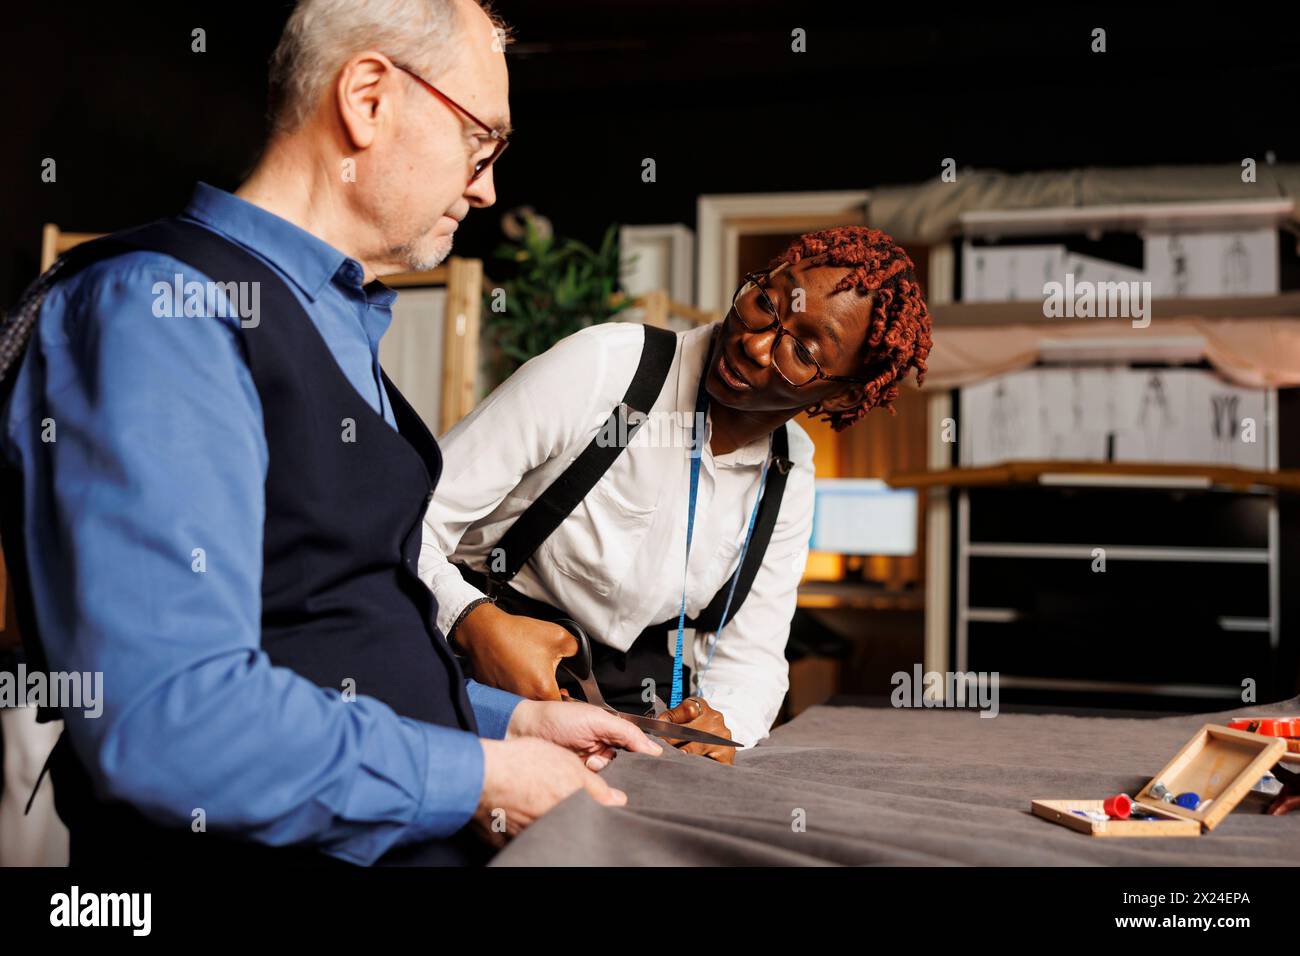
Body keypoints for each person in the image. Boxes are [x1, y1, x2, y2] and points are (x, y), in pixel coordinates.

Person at [0, 0, 659, 868]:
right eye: (481, 142)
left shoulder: (325, 315)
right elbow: (174, 720)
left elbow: (321, 640)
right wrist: (481, 776)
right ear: (368, 98)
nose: (487, 188)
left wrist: (508, 724)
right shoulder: (163, 311)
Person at [420, 226, 934, 763]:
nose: (755, 343)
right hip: (472, 658)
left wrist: (723, 724)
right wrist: (472, 621)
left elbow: (750, 656)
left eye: (802, 351)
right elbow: (407, 521)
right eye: (765, 303)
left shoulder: (789, 469)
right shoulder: (607, 368)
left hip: (624, 699)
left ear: (843, 396)